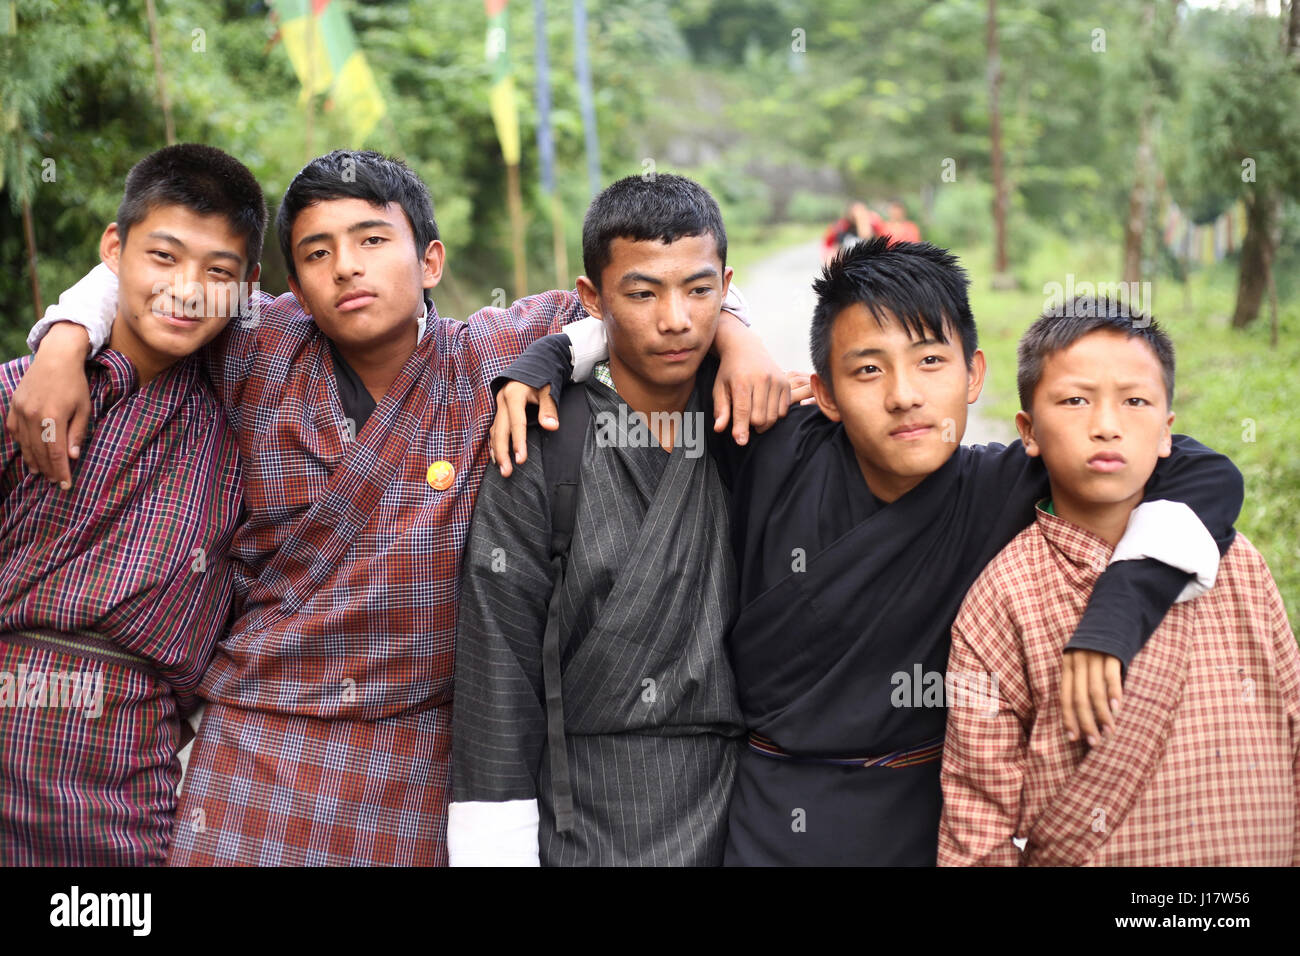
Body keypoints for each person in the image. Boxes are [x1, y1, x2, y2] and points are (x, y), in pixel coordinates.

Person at [10, 150, 789, 866]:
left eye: (374, 240)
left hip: (415, 755)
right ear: (288, 284)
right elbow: (161, 277)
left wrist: (742, 336)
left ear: (430, 260)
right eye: (317, 253)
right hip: (258, 739)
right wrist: (63, 336)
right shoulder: (257, 343)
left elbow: (655, 284)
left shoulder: (490, 350)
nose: (347, 268)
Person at [489, 237, 1243, 865]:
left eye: (930, 362)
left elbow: (1204, 470)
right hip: (767, 814)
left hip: (924, 812)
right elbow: (661, 338)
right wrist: (546, 362)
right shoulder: (771, 441)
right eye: (867, 370)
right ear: (821, 390)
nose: (905, 396)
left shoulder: (1004, 482)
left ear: (974, 377)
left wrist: (1115, 615)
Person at [450, 174, 751, 866]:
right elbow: (499, 664)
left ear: (727, 289)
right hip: (580, 814)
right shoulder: (539, 441)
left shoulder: (751, 423)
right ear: (592, 299)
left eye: (699, 290)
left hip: (737, 806)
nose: (675, 319)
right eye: (642, 293)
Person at [938, 300, 1298, 866]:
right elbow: (978, 815)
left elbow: (1292, 722)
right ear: (1028, 431)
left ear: (1166, 433)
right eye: (1075, 400)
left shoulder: (1235, 564)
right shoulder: (1003, 597)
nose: (1106, 425)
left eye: (1135, 402)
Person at [0, 144, 256, 864]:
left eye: (219, 273)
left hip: (128, 766)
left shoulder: (241, 410)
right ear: (113, 249)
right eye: (163, 258)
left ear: (248, 287)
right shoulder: (28, 396)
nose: (186, 290)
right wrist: (63, 343)